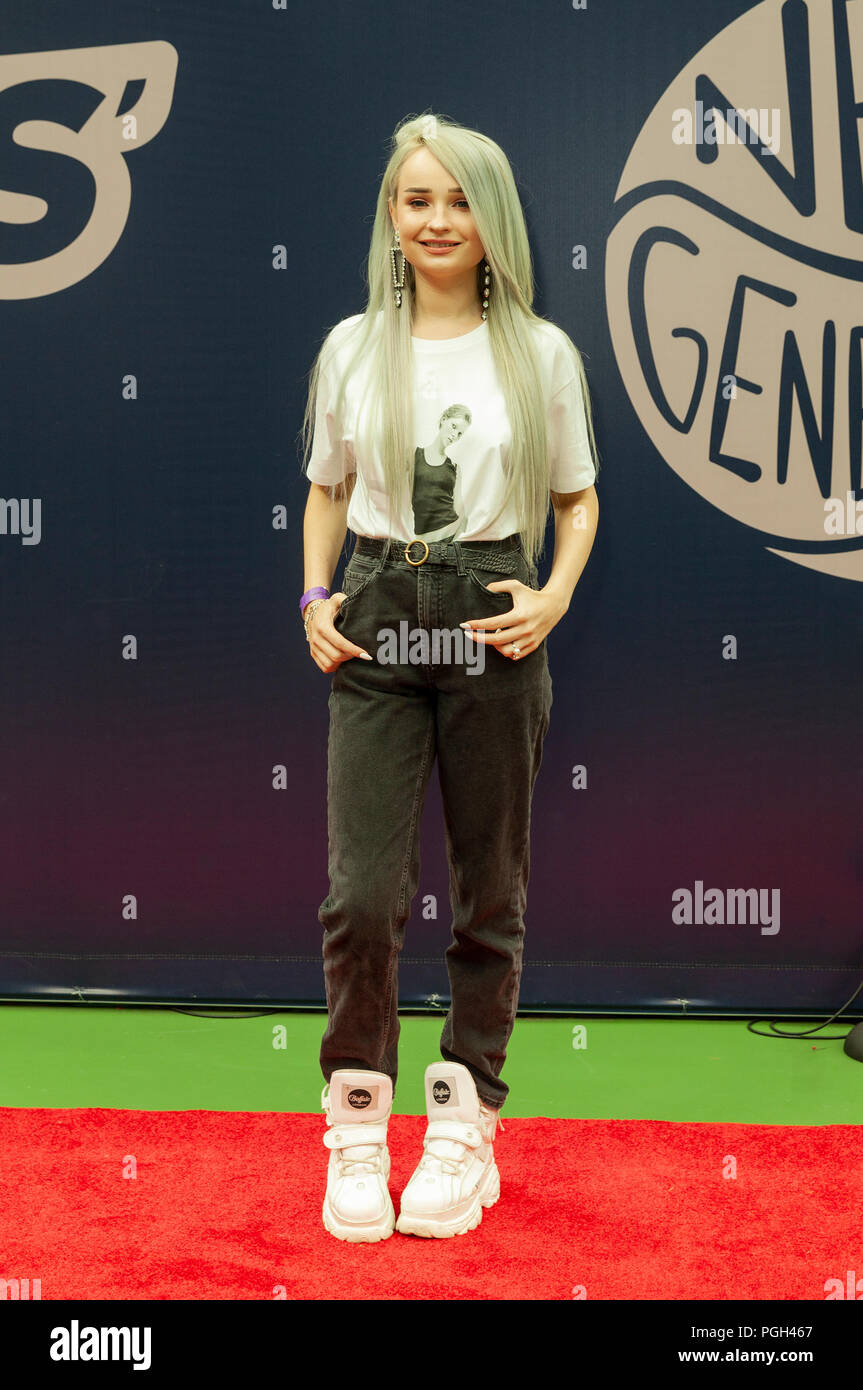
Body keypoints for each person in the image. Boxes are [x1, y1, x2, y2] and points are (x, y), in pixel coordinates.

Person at [298, 111, 599, 1243]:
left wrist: (555, 593)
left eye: (458, 200)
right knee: (361, 895)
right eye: (416, 199)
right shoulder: (348, 347)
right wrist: (313, 597)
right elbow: (328, 486)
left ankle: (465, 1123)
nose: (436, 220)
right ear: (390, 212)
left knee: (489, 893)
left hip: (490, 622)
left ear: (492, 218)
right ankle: (357, 1120)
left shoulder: (542, 354)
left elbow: (575, 500)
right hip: (376, 618)